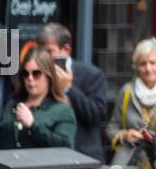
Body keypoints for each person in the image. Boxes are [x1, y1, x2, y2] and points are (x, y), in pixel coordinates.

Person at [37, 22, 109, 161]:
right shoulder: (37, 75)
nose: (43, 58)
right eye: (40, 52)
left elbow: (95, 115)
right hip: (49, 155)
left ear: (65, 49)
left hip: (84, 155)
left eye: (49, 51)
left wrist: (69, 89)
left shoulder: (91, 75)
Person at [0, 47, 77, 149]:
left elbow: (65, 146)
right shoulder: (12, 104)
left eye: (36, 73)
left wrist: (32, 125)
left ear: (48, 75)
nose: (30, 79)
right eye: (26, 73)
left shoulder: (62, 110)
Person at [108, 37, 156, 169]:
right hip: (130, 166)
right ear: (136, 67)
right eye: (142, 63)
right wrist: (124, 135)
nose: (148, 68)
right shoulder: (127, 92)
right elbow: (112, 127)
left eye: (153, 63)